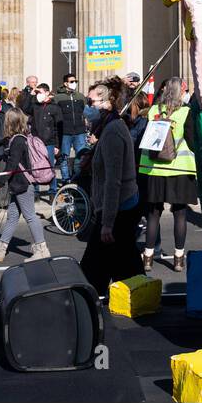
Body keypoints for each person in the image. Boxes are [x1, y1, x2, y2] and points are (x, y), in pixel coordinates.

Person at [80, 78, 143, 294]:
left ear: (108, 103)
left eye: (92, 102)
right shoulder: (108, 128)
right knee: (123, 265)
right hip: (117, 208)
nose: (88, 108)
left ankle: (88, 306)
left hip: (118, 209)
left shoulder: (113, 131)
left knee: (94, 267)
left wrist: (106, 222)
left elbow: (113, 180)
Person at [137, 76, 197, 273]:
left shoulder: (154, 111)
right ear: (181, 92)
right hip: (180, 169)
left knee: (153, 215)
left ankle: (147, 257)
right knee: (180, 214)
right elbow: (192, 140)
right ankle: (179, 258)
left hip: (153, 169)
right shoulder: (186, 112)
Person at [0, 108, 52, 262]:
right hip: (18, 185)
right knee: (12, 217)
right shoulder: (18, 139)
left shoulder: (18, 140)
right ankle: (0, 249)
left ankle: (42, 249)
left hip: (23, 184)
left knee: (30, 216)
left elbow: (12, 165)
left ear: (10, 122)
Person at [25, 82, 62, 198]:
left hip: (49, 143)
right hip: (36, 142)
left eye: (39, 92)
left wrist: (57, 145)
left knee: (49, 167)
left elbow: (59, 128)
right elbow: (25, 108)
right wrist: (31, 94)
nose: (37, 95)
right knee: (35, 166)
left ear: (47, 93)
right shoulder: (35, 105)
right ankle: (36, 191)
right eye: (37, 93)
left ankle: (52, 191)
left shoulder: (54, 107)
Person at [54, 72, 88, 183]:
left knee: (81, 155)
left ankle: (77, 178)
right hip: (65, 132)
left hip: (80, 131)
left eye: (75, 81)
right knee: (64, 157)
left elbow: (85, 112)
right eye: (72, 81)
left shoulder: (80, 96)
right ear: (65, 83)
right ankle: (65, 179)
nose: (74, 83)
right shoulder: (58, 98)